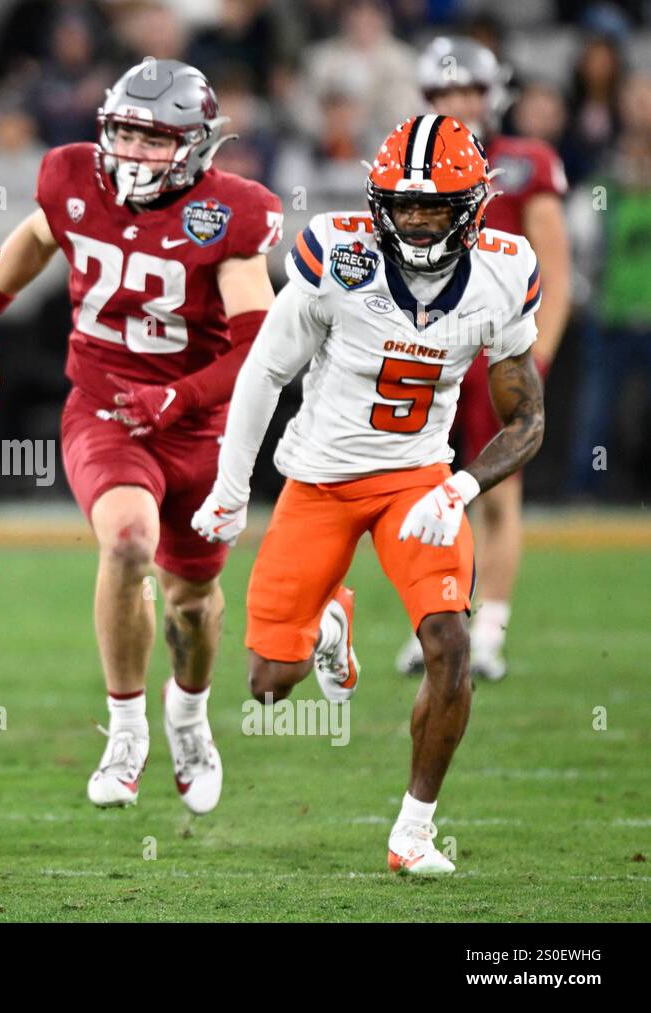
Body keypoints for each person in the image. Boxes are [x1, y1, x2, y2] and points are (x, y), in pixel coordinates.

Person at [193, 115, 546, 873]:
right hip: (319, 478)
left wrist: (459, 484)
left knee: (448, 643)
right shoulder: (339, 254)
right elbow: (265, 371)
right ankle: (329, 626)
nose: (416, 222)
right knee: (268, 684)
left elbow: (528, 418)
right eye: (403, 205)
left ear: (474, 206)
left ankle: (413, 830)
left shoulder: (505, 271)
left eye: (433, 206)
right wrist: (231, 487)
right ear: (377, 202)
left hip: (419, 478)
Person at [0, 59, 281, 814]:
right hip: (105, 408)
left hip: (204, 423)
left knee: (194, 598)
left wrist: (179, 395)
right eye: (122, 133)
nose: (134, 153)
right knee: (125, 541)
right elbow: (34, 239)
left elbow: (262, 347)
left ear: (195, 145)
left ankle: (187, 715)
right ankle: (125, 728)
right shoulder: (71, 177)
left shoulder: (231, 212)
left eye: (154, 140)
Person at [394, 36, 570, 681]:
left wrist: (536, 359)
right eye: (445, 94)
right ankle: (440, 620)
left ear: (492, 94)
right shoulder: (412, 169)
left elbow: (556, 272)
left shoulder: (524, 165)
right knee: (425, 489)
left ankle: (489, 627)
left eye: (469, 91)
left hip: (497, 350)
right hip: (430, 349)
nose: (459, 103)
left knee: (498, 491)